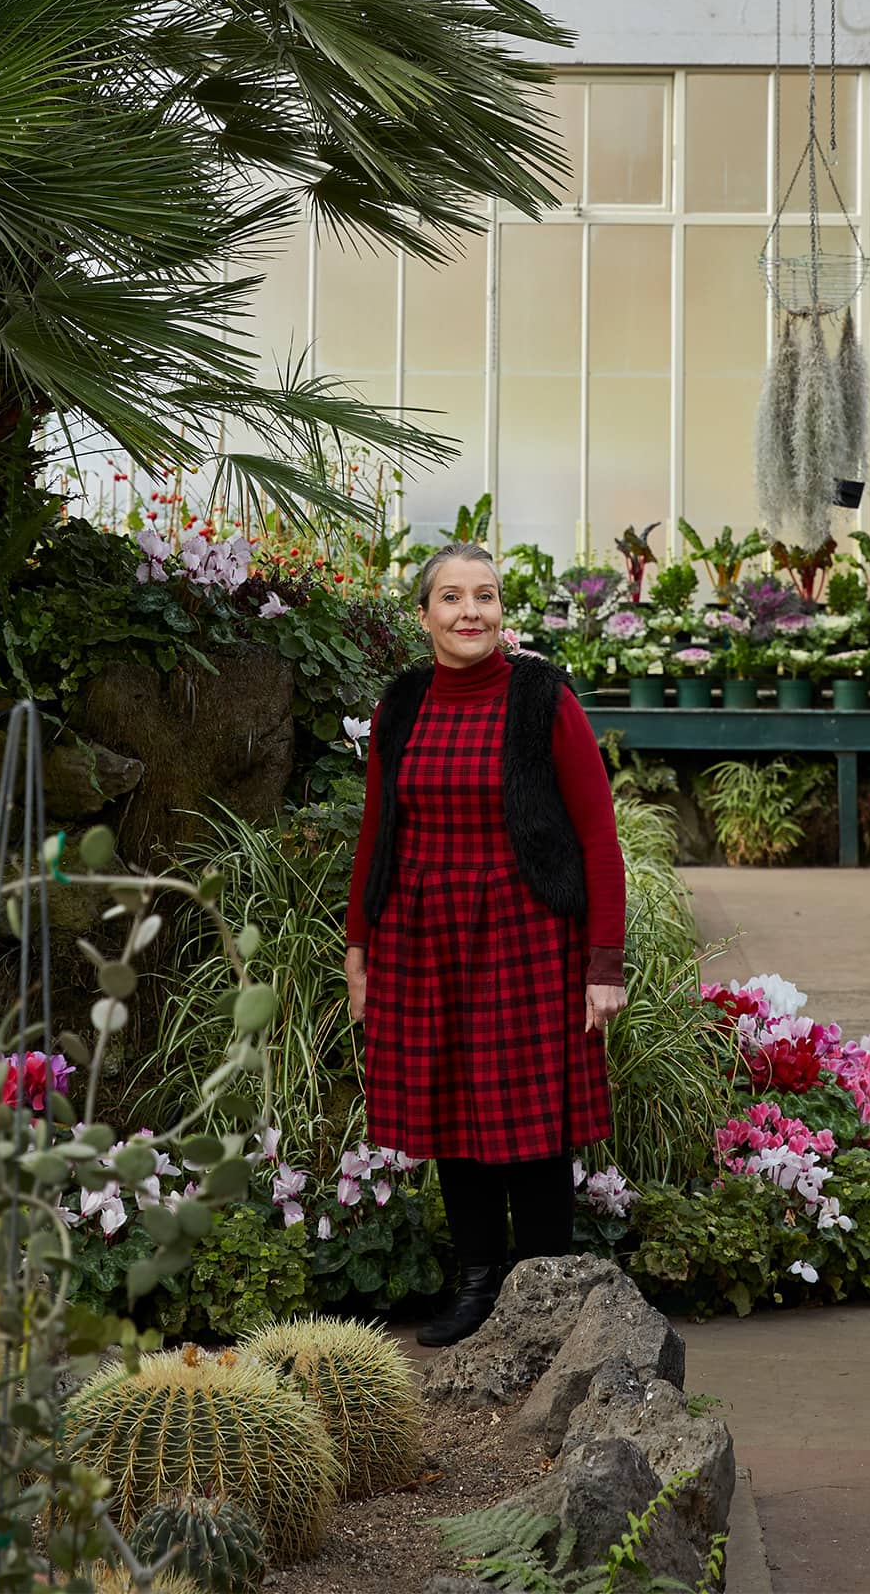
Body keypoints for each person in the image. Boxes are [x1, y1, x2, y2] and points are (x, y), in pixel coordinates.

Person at [343, 543, 628, 1348]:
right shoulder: (401, 704)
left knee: (533, 1121)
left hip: (526, 932)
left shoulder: (542, 697)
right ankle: (477, 1284)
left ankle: (546, 1294)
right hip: (421, 935)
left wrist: (603, 964)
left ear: (502, 610)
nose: (472, 612)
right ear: (426, 613)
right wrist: (357, 948)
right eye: (453, 597)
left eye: (487, 596)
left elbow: (598, 837)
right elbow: (377, 834)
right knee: (447, 1110)